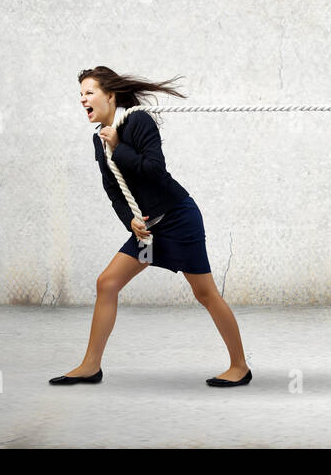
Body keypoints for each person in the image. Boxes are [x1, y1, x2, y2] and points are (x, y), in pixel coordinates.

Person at [48, 66, 252, 388]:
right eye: (80, 95)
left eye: (89, 92)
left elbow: (155, 171)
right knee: (107, 283)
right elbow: (114, 190)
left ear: (110, 95)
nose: (83, 100)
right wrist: (129, 220)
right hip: (148, 231)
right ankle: (90, 365)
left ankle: (240, 367)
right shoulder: (98, 139)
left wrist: (119, 146)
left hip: (178, 219)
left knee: (205, 292)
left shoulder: (137, 122)